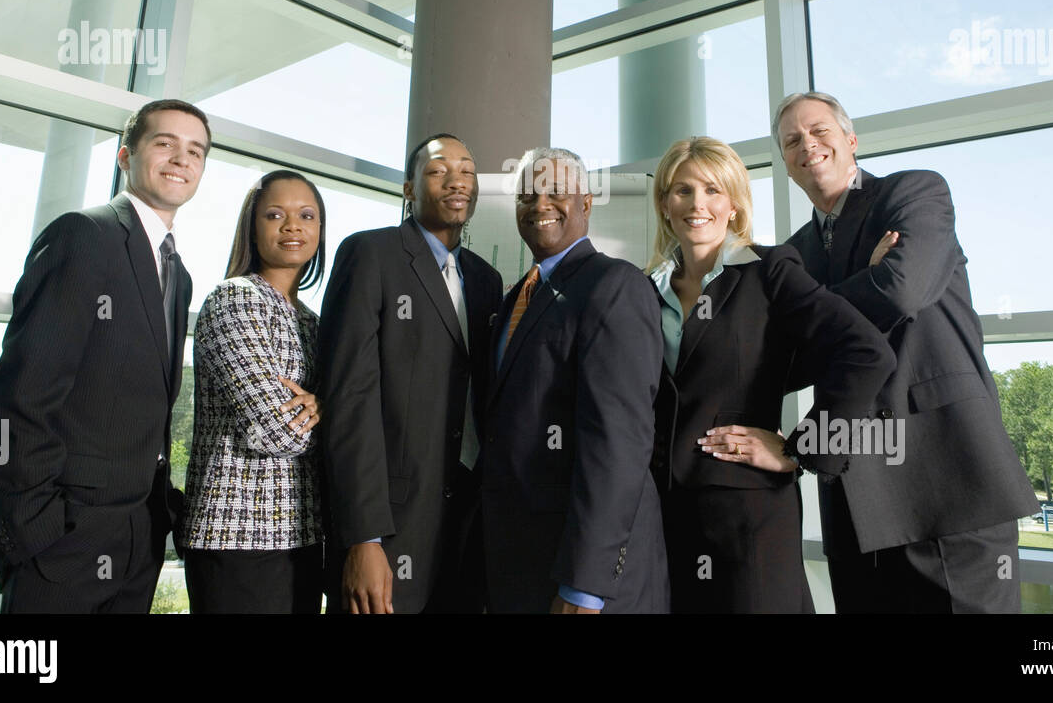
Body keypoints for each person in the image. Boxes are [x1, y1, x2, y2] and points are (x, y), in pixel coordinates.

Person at [776, 91, 1038, 613]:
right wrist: (864, 281)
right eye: (791, 141)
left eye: (820, 130)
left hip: (946, 477)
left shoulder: (915, 192)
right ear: (786, 163)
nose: (807, 144)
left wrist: (822, 309)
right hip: (852, 496)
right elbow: (787, 355)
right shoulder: (793, 253)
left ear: (850, 141)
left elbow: (902, 290)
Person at [648, 136, 895, 613]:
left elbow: (866, 352)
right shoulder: (641, 289)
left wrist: (800, 449)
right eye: (682, 190)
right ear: (664, 203)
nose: (698, 203)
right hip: (660, 519)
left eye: (712, 190)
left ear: (735, 205)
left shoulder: (770, 271)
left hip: (748, 521)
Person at [0, 99, 210, 613]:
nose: (181, 159)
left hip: (139, 535)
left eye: (195, 151)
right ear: (126, 156)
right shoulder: (83, 235)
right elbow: (19, 395)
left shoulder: (179, 276)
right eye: (165, 144)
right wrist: (34, 527)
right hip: (65, 539)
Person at [316, 133, 502, 613]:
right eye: (440, 170)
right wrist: (363, 536)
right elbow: (349, 398)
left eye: (467, 170)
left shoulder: (487, 279)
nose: (457, 180)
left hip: (464, 528)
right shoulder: (370, 255)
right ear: (408, 188)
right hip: (389, 525)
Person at [481, 147, 668, 614]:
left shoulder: (615, 285)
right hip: (522, 566)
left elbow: (618, 445)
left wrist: (584, 586)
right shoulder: (513, 301)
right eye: (527, 195)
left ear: (585, 203)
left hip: (587, 582)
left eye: (556, 192)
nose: (540, 204)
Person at [180, 170, 327, 613]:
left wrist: (320, 405)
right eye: (274, 215)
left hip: (301, 534)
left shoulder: (313, 322)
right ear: (252, 226)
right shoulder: (234, 300)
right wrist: (336, 412)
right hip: (236, 535)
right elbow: (277, 431)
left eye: (307, 215)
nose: (292, 226)